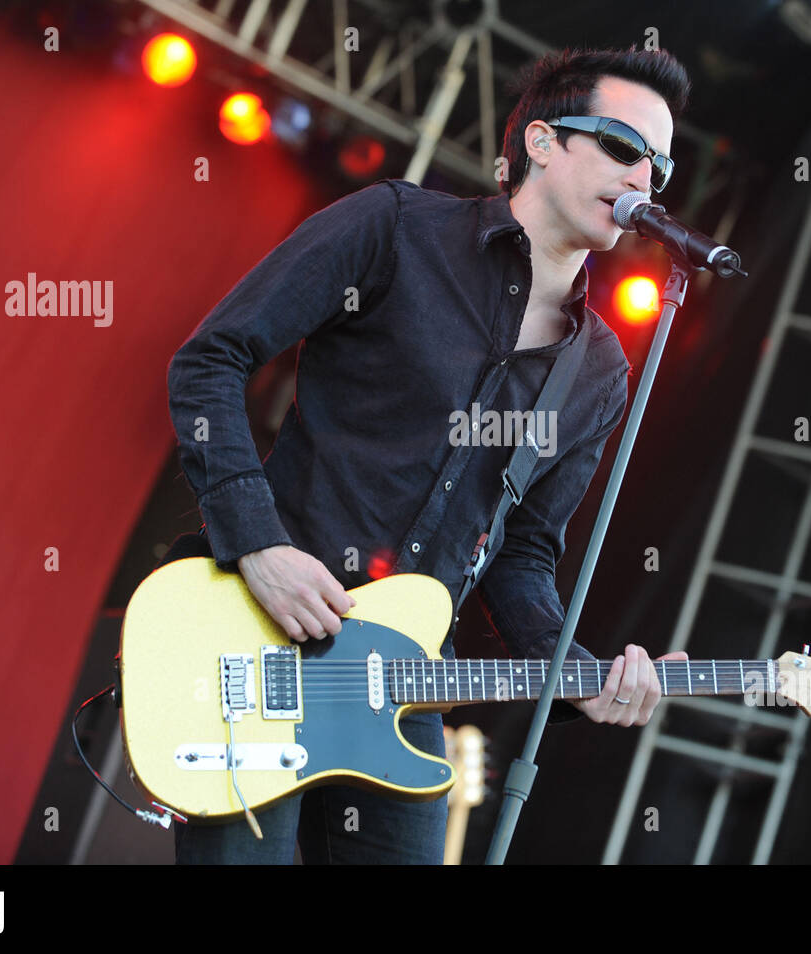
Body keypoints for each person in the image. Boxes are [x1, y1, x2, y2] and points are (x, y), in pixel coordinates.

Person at [165, 46, 692, 864]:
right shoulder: (395, 228)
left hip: (404, 698)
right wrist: (259, 545)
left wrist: (584, 675)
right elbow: (210, 361)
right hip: (261, 635)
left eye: (659, 163)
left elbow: (521, 557)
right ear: (544, 142)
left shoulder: (599, 371)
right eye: (624, 147)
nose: (644, 178)